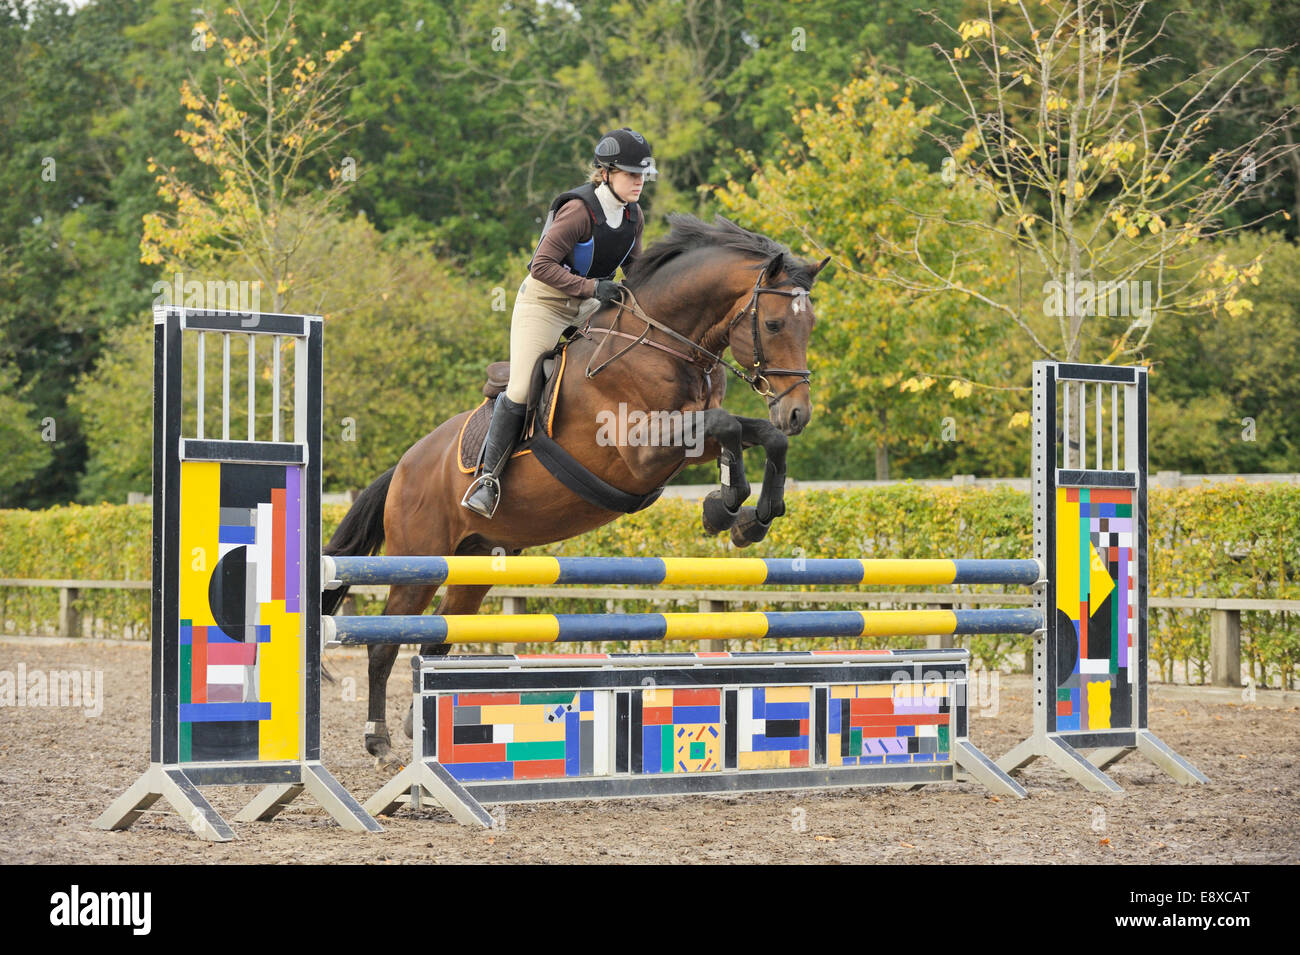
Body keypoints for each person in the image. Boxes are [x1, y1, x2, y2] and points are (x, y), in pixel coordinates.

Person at [462, 127, 657, 518]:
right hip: (545, 303)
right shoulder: (578, 211)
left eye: (642, 175)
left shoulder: (633, 215)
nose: (638, 182)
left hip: (589, 302)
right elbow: (540, 266)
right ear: (605, 173)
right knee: (520, 387)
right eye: (631, 174)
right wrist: (592, 287)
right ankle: (487, 480)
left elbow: (635, 269)